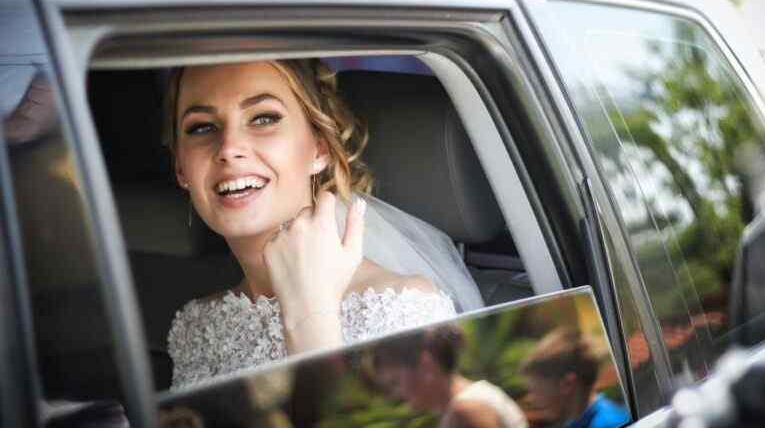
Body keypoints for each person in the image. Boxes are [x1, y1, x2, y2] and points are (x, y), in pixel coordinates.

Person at [164, 59, 483, 388]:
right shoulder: (197, 326)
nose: (229, 149)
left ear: (319, 147)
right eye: (201, 127)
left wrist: (309, 318)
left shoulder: (402, 310)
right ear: (181, 168)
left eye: (263, 118)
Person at [374, 325, 528, 428]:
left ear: (426, 365)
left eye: (395, 382)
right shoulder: (470, 400)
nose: (396, 394)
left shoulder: (465, 411)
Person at [519, 329, 630, 428]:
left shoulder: (610, 423)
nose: (531, 399)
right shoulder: (576, 422)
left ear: (567, 384)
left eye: (536, 390)